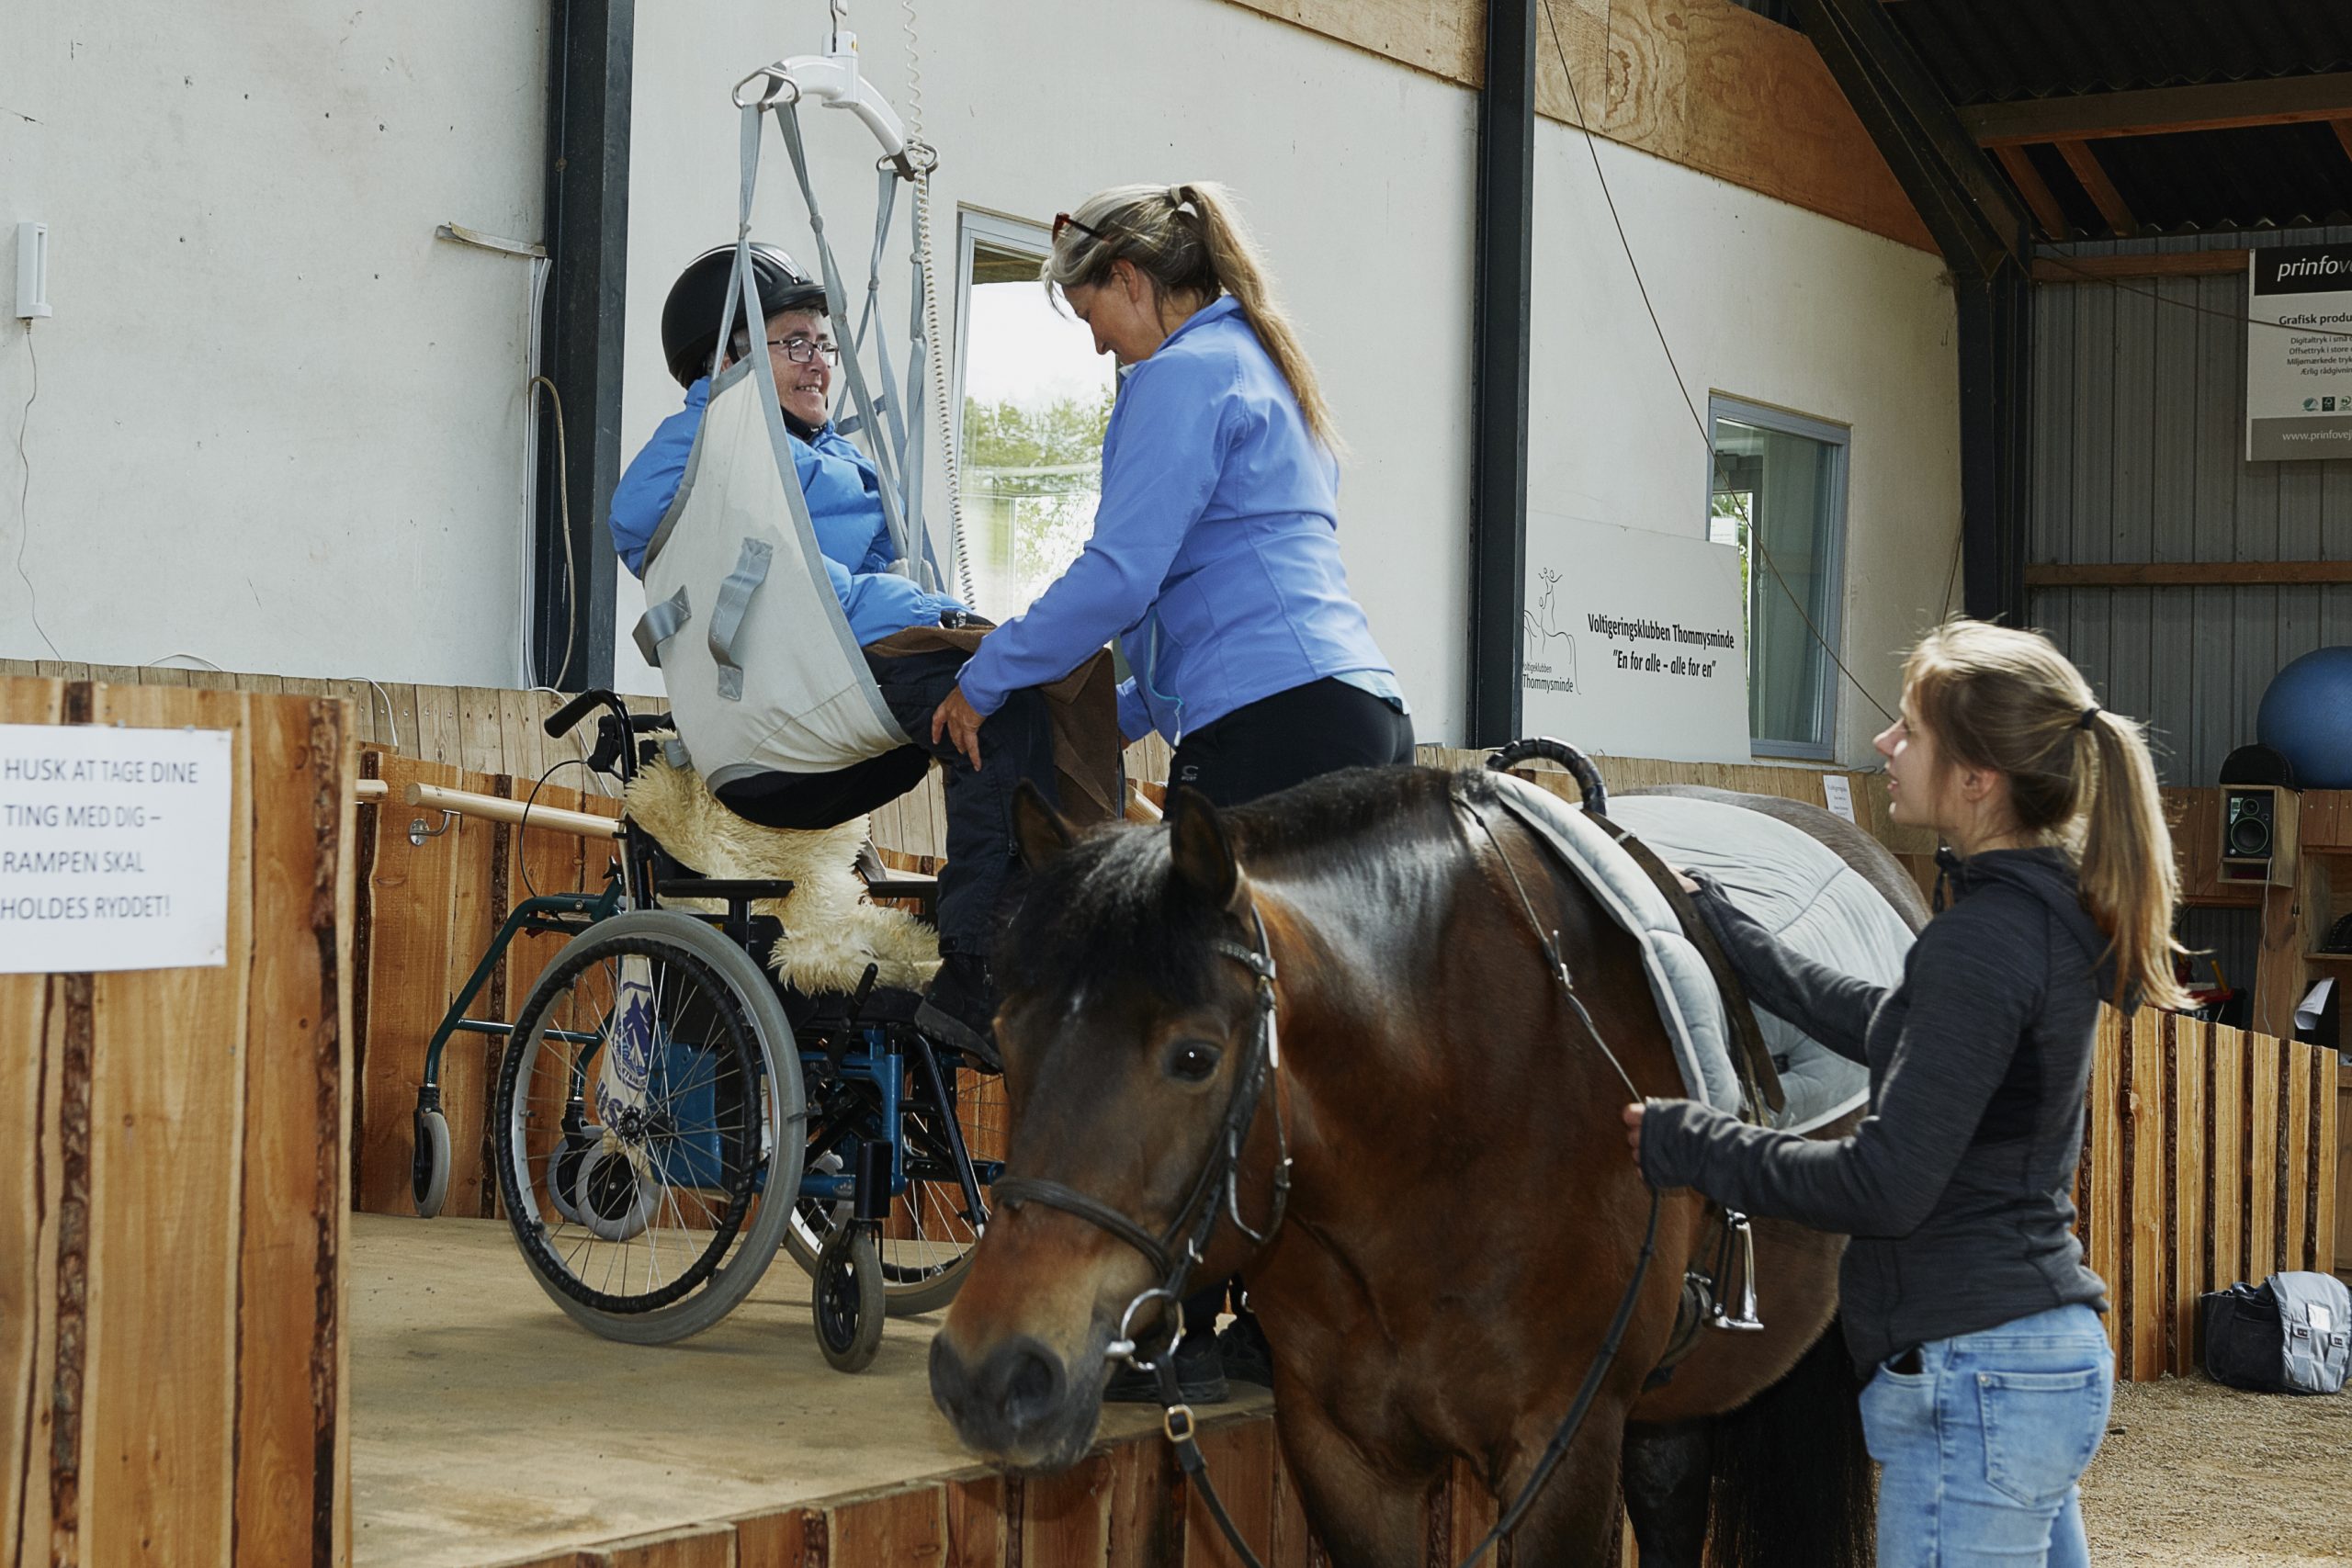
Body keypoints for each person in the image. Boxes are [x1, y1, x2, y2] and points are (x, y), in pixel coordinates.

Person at [929, 184, 1414, 1404]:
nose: (1094, 339)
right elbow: (1196, 598)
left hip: (1268, 720)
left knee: (1179, 1013)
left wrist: (988, 680)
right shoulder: (1263, 365)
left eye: (1091, 310)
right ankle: (1295, 1312)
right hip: (1351, 704)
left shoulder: (1178, 379)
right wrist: (1122, 713)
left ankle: (1171, 1323)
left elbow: (1119, 572)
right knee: (1313, 1042)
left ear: (1137, 283)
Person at [1625, 619, 2189, 1568]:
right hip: (2023, 1368)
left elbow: (1882, 1187)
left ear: (1976, 778)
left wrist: (1694, 1143)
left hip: (1974, 1384)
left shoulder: (1983, 942)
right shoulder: (2035, 916)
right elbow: (1889, 1025)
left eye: (1910, 731)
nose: (1885, 746)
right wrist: (1721, 925)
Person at [609, 243, 1079, 1053]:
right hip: (787, 692)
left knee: (1052, 701)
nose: (819, 363)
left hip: (860, 672)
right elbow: (635, 516)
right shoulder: (708, 449)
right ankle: (975, 964)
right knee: (992, 709)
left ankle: (1050, 954)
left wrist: (959, 622)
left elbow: (893, 571)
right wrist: (719, 407)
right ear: (727, 359)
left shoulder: (848, 461)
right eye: (793, 343)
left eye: (822, 345)